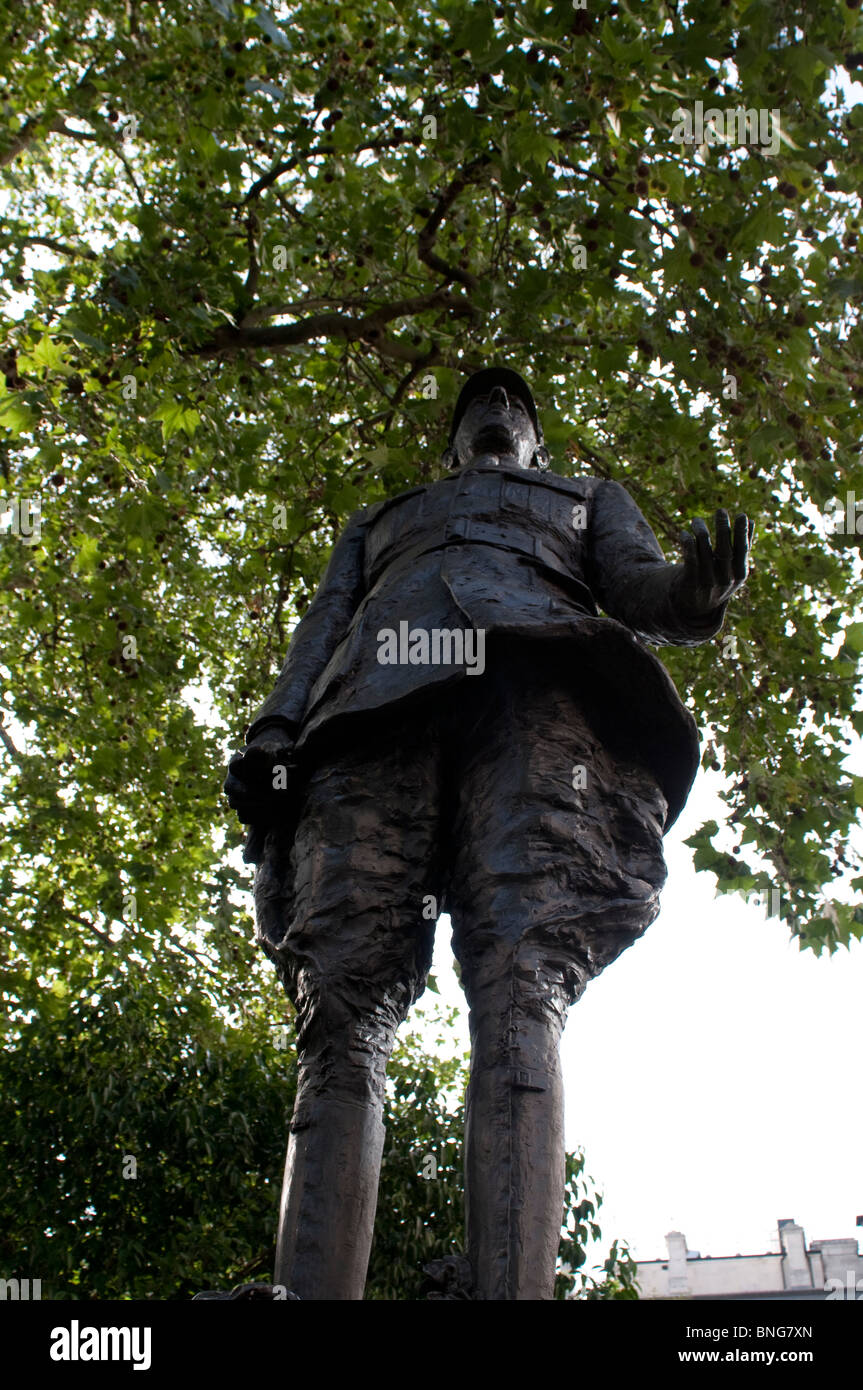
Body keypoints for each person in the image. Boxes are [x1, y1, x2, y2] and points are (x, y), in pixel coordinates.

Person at [225, 367, 753, 1300]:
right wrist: (275, 726)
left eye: (515, 405)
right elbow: (326, 621)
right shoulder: (383, 517)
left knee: (521, 983)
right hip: (370, 710)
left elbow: (638, 589)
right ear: (454, 436)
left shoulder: (587, 500)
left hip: (536, 699)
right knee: (341, 1003)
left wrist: (695, 595)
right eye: (480, 403)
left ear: (536, 441)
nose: (497, 412)